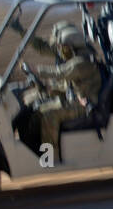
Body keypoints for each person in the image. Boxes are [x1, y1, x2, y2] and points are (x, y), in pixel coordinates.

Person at [21, 22, 103, 161]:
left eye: (63, 48)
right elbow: (42, 47)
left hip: (85, 103)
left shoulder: (81, 61)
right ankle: (35, 148)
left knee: (49, 116)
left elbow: (60, 73)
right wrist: (21, 30)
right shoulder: (75, 54)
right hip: (74, 94)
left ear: (71, 46)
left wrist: (36, 70)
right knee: (35, 105)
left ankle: (51, 158)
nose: (60, 51)